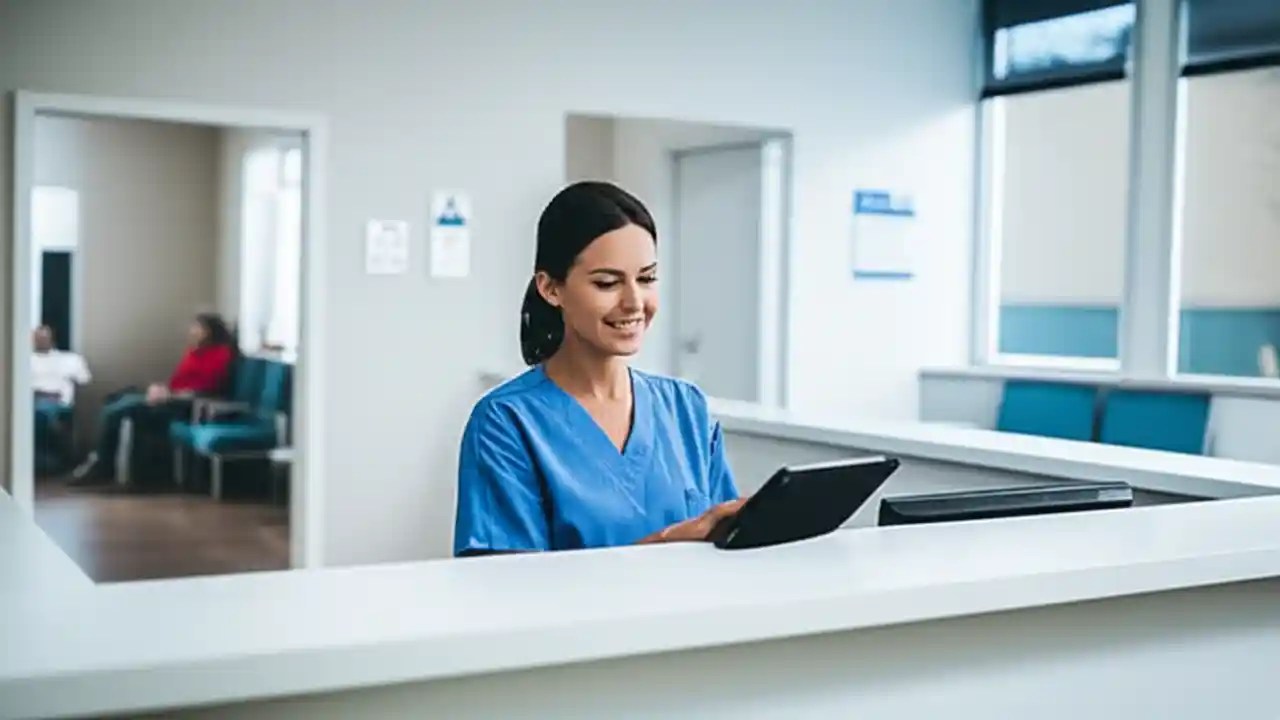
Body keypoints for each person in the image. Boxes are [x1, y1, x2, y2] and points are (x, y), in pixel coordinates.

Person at [453, 181, 746, 556]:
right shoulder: (505, 423)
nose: (634, 302)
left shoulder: (686, 408)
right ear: (551, 289)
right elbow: (507, 591)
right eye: (607, 283)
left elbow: (726, 545)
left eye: (646, 278)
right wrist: (667, 542)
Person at [72, 312, 237, 483]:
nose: (192, 331)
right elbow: (180, 381)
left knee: (116, 410)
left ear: (210, 331)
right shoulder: (194, 351)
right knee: (116, 398)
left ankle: (103, 468)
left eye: (198, 327)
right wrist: (162, 389)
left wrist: (170, 396)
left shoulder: (220, 354)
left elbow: (208, 388)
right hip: (172, 397)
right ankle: (103, 461)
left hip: (187, 405)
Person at [32, 325, 91, 471]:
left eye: (45, 337)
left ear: (52, 339)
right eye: (38, 338)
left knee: (41, 414)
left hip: (58, 402)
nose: (42, 341)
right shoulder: (25, 360)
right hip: (31, 400)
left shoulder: (68, 359)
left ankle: (50, 461)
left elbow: (84, 379)